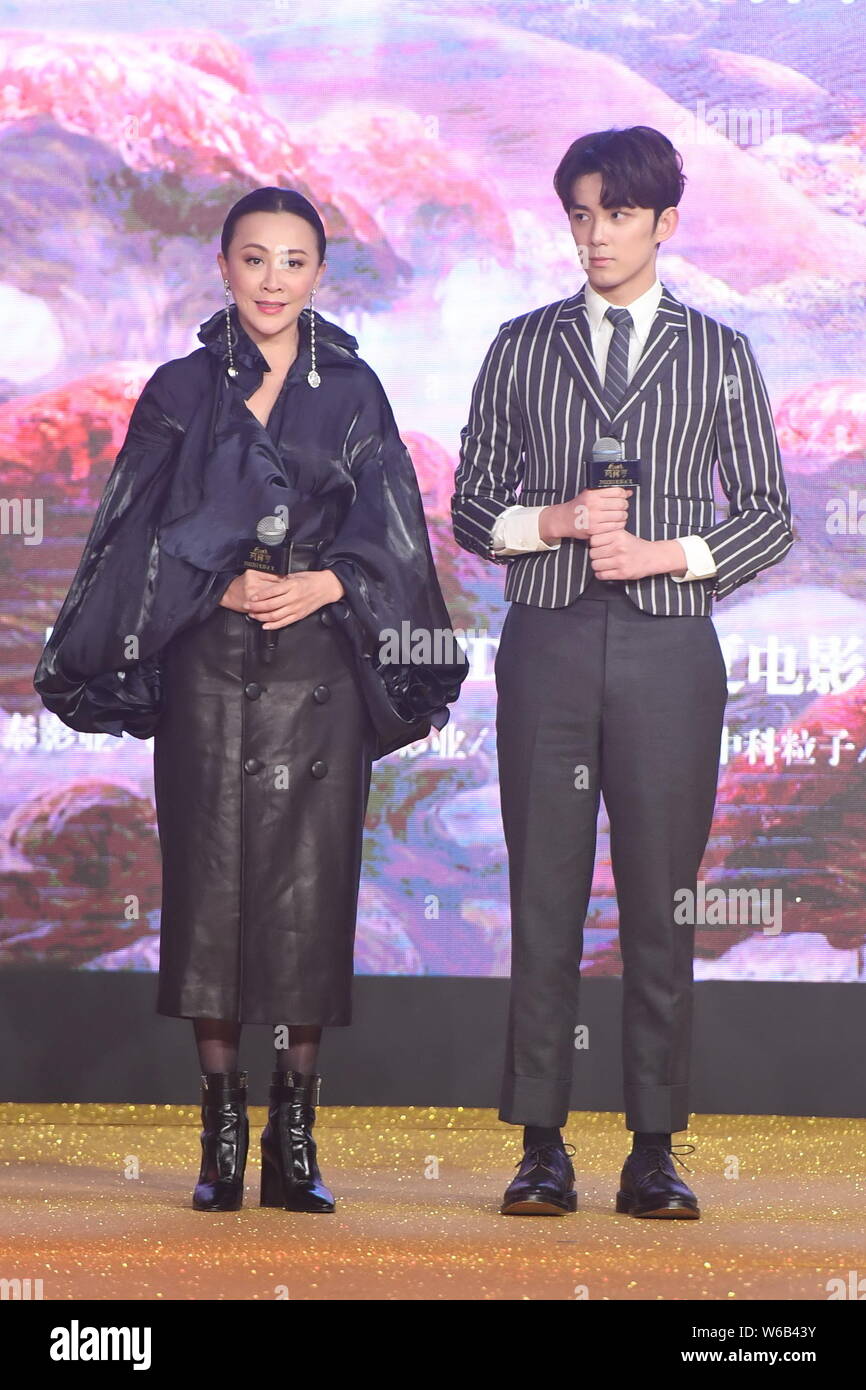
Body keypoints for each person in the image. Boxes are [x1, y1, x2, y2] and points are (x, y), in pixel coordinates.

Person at [34, 186, 467, 1215]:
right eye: (254, 259)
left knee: (307, 906)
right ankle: (221, 1128)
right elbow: (130, 534)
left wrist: (331, 584)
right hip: (208, 663)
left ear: (320, 274)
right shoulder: (181, 388)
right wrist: (210, 581)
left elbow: (396, 534)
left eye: (294, 261)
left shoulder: (353, 391)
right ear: (222, 268)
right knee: (211, 897)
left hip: (318, 665)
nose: (273, 280)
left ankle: (295, 1134)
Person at [452, 127, 793, 1218]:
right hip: (546, 643)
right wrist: (548, 519)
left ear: (664, 224)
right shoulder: (519, 344)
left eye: (618, 214)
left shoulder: (718, 352)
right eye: (580, 214)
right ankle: (539, 1145)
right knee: (542, 895)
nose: (596, 235)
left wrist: (663, 553)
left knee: (659, 902)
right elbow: (468, 506)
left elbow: (769, 517)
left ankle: (653, 1147)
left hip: (666, 649)